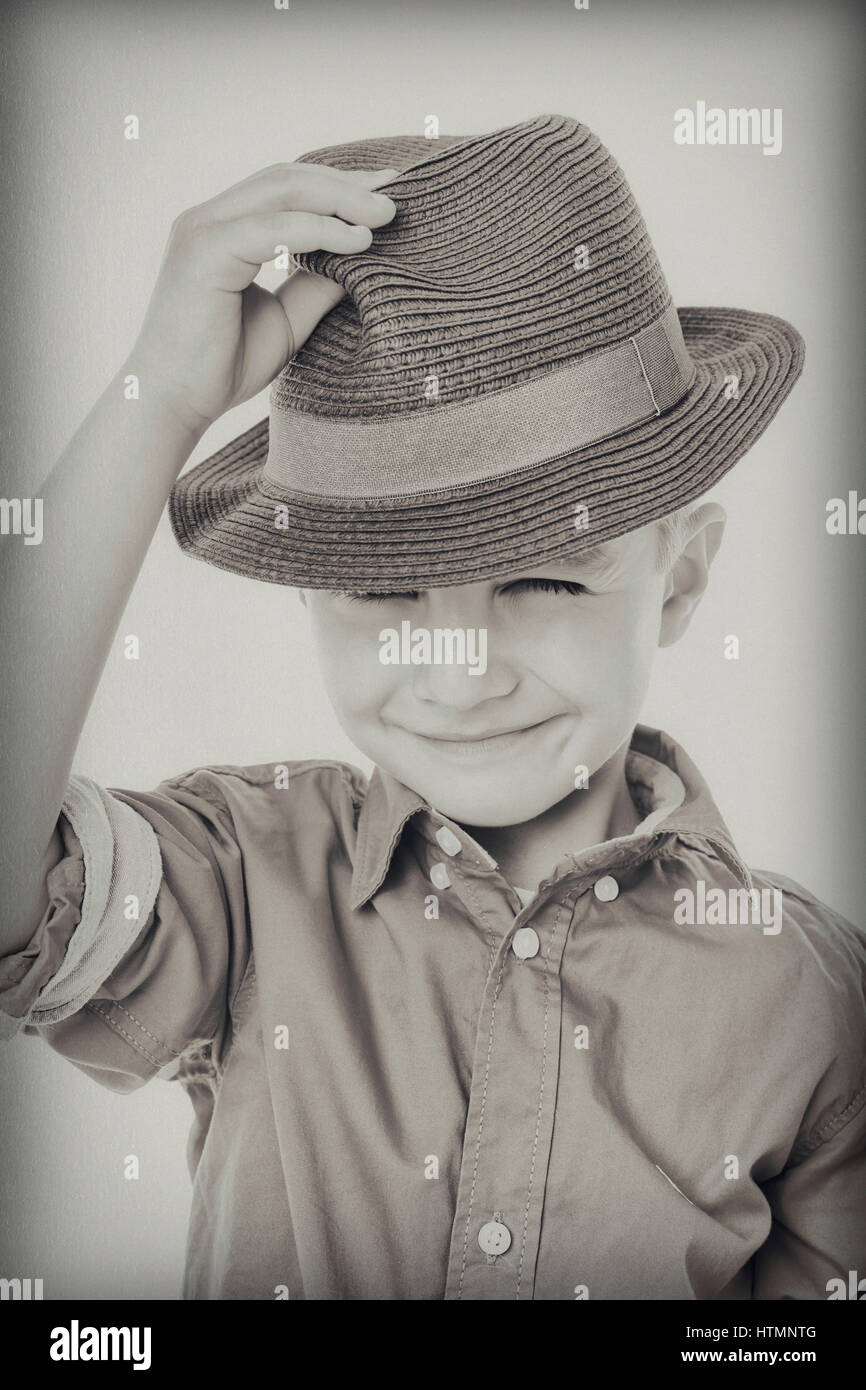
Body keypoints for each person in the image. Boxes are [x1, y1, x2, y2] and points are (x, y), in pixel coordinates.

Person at [1, 114, 863, 1301]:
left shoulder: (809, 1001)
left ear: (680, 575)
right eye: (379, 584)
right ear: (306, 589)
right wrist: (159, 398)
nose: (459, 670)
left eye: (549, 578)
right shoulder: (246, 880)